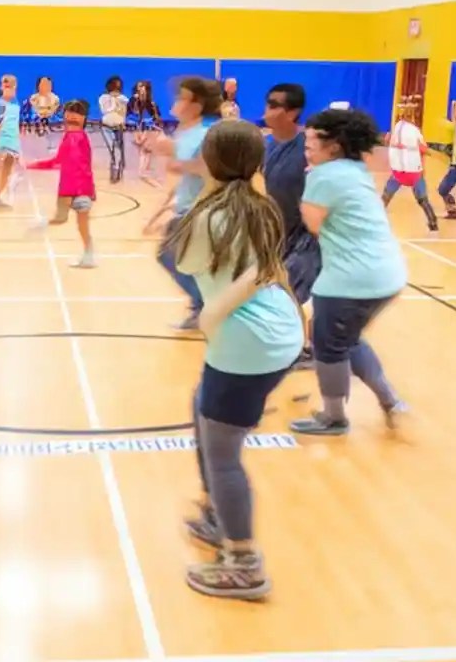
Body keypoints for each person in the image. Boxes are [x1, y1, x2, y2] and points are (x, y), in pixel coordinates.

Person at [172, 119, 303, 600]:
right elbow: (265, 266)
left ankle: (244, 562)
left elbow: (184, 262)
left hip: (245, 343)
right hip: (278, 332)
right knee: (201, 406)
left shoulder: (207, 217)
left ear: (209, 162)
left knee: (224, 455)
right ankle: (220, 515)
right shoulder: (262, 206)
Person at [289, 109, 408, 437]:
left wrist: (307, 188)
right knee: (347, 340)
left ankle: (334, 416)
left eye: (312, 141)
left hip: (351, 278)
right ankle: (392, 402)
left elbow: (313, 224)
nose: (306, 146)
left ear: (335, 145)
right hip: (388, 274)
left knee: (328, 346)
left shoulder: (323, 176)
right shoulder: (355, 169)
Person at [145, 78, 222, 330]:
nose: (176, 102)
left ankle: (209, 305)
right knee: (176, 257)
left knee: (172, 256)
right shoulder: (187, 132)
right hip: (188, 208)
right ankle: (205, 306)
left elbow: (205, 169)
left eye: (182, 98)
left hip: (201, 210)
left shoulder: (204, 134)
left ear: (196, 106)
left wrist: (172, 152)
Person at [261, 83, 321, 369]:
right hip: (277, 234)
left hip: (308, 236)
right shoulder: (266, 146)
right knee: (281, 293)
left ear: (293, 112)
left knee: (291, 292)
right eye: (268, 103)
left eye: (275, 105)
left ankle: (306, 349)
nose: (268, 109)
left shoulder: (306, 150)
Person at [29, 99, 96, 268]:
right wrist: (35, 164)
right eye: (69, 112)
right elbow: (58, 161)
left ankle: (89, 256)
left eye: (76, 113)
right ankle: (41, 226)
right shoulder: (69, 137)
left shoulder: (77, 137)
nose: (72, 116)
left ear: (82, 118)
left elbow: (68, 162)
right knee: (61, 219)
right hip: (67, 188)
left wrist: (34, 164)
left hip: (79, 189)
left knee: (82, 225)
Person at [383, 106, 440, 232]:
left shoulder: (396, 128)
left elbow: (389, 142)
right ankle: (433, 223)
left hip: (398, 171)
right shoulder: (415, 131)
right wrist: (432, 154)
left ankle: (374, 219)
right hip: (414, 171)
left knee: (386, 196)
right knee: (422, 199)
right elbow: (423, 149)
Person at [0, 78, 22, 209]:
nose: (9, 88)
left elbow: (16, 124)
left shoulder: (16, 104)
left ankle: (2, 195)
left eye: (12, 86)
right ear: (1, 88)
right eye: (6, 86)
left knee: (8, 167)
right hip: (3, 140)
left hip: (13, 139)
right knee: (0, 166)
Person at [99, 76, 128, 184]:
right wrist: (114, 101)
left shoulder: (124, 99)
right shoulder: (104, 98)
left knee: (118, 149)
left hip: (119, 127)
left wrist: (123, 123)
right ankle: (114, 173)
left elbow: (123, 113)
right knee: (113, 149)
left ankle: (118, 172)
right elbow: (105, 110)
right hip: (106, 127)